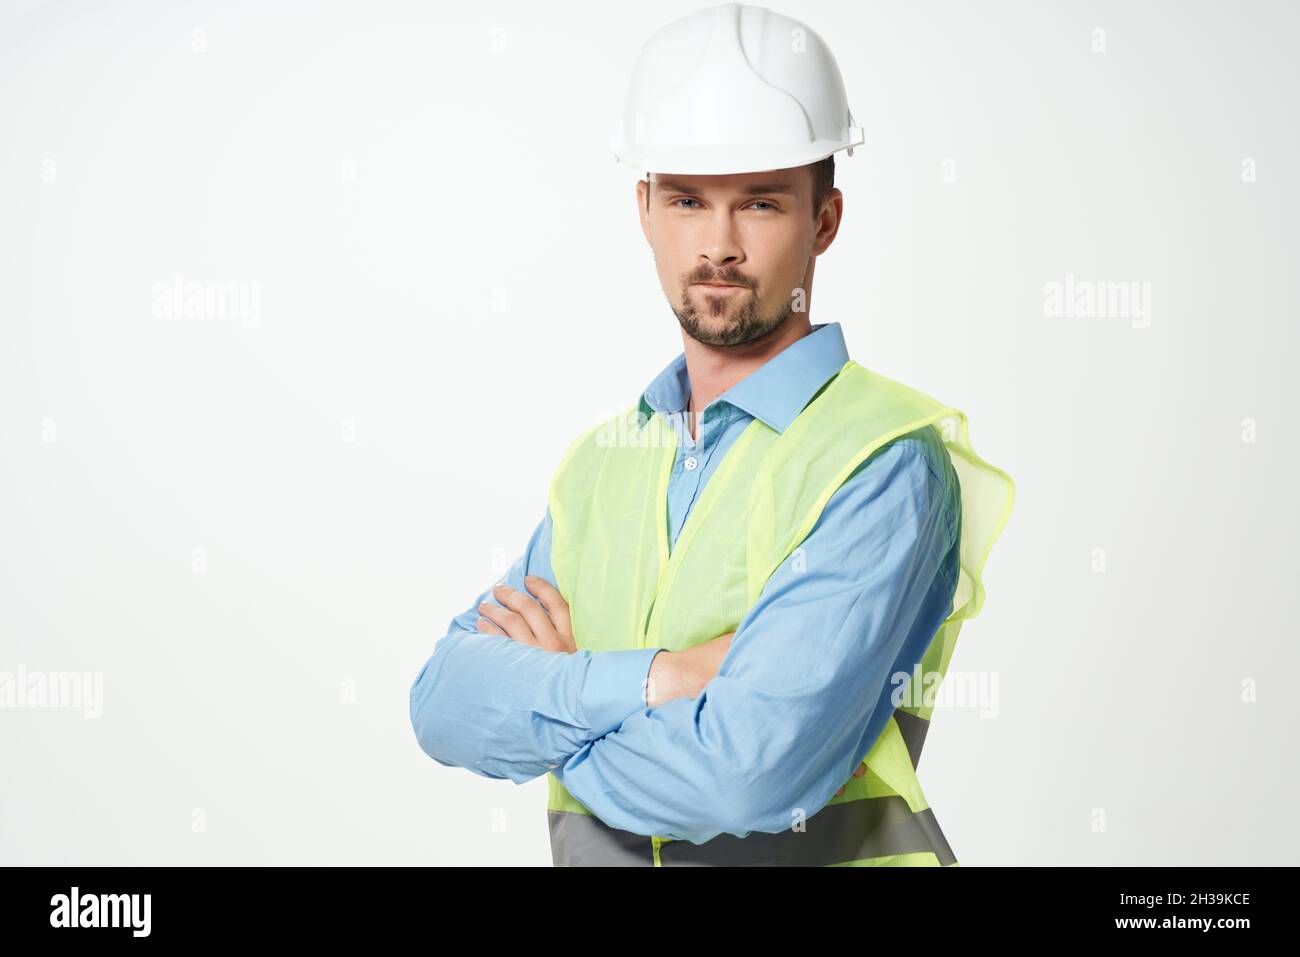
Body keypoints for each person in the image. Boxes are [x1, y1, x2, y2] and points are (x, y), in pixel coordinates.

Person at [409, 1, 1015, 866]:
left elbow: (742, 777)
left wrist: (555, 716)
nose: (718, 246)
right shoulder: (598, 468)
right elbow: (443, 705)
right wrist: (663, 677)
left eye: (760, 204)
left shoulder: (880, 460)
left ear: (825, 220)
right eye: (689, 200)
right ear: (645, 209)